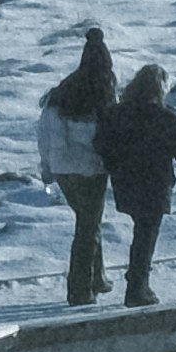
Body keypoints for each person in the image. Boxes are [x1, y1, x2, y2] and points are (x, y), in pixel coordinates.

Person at [100, 59, 176, 305]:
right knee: (146, 233)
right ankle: (137, 287)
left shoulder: (116, 114)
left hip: (125, 181)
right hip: (155, 182)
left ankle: (136, 280)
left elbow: (101, 144)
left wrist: (113, 165)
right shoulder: (165, 116)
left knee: (141, 230)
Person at [39, 24, 122, 305]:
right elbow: (109, 136)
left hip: (63, 170)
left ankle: (96, 278)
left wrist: (47, 168)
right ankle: (79, 289)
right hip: (91, 171)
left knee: (88, 222)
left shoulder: (62, 92)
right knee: (88, 228)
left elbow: (45, 132)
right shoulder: (104, 93)